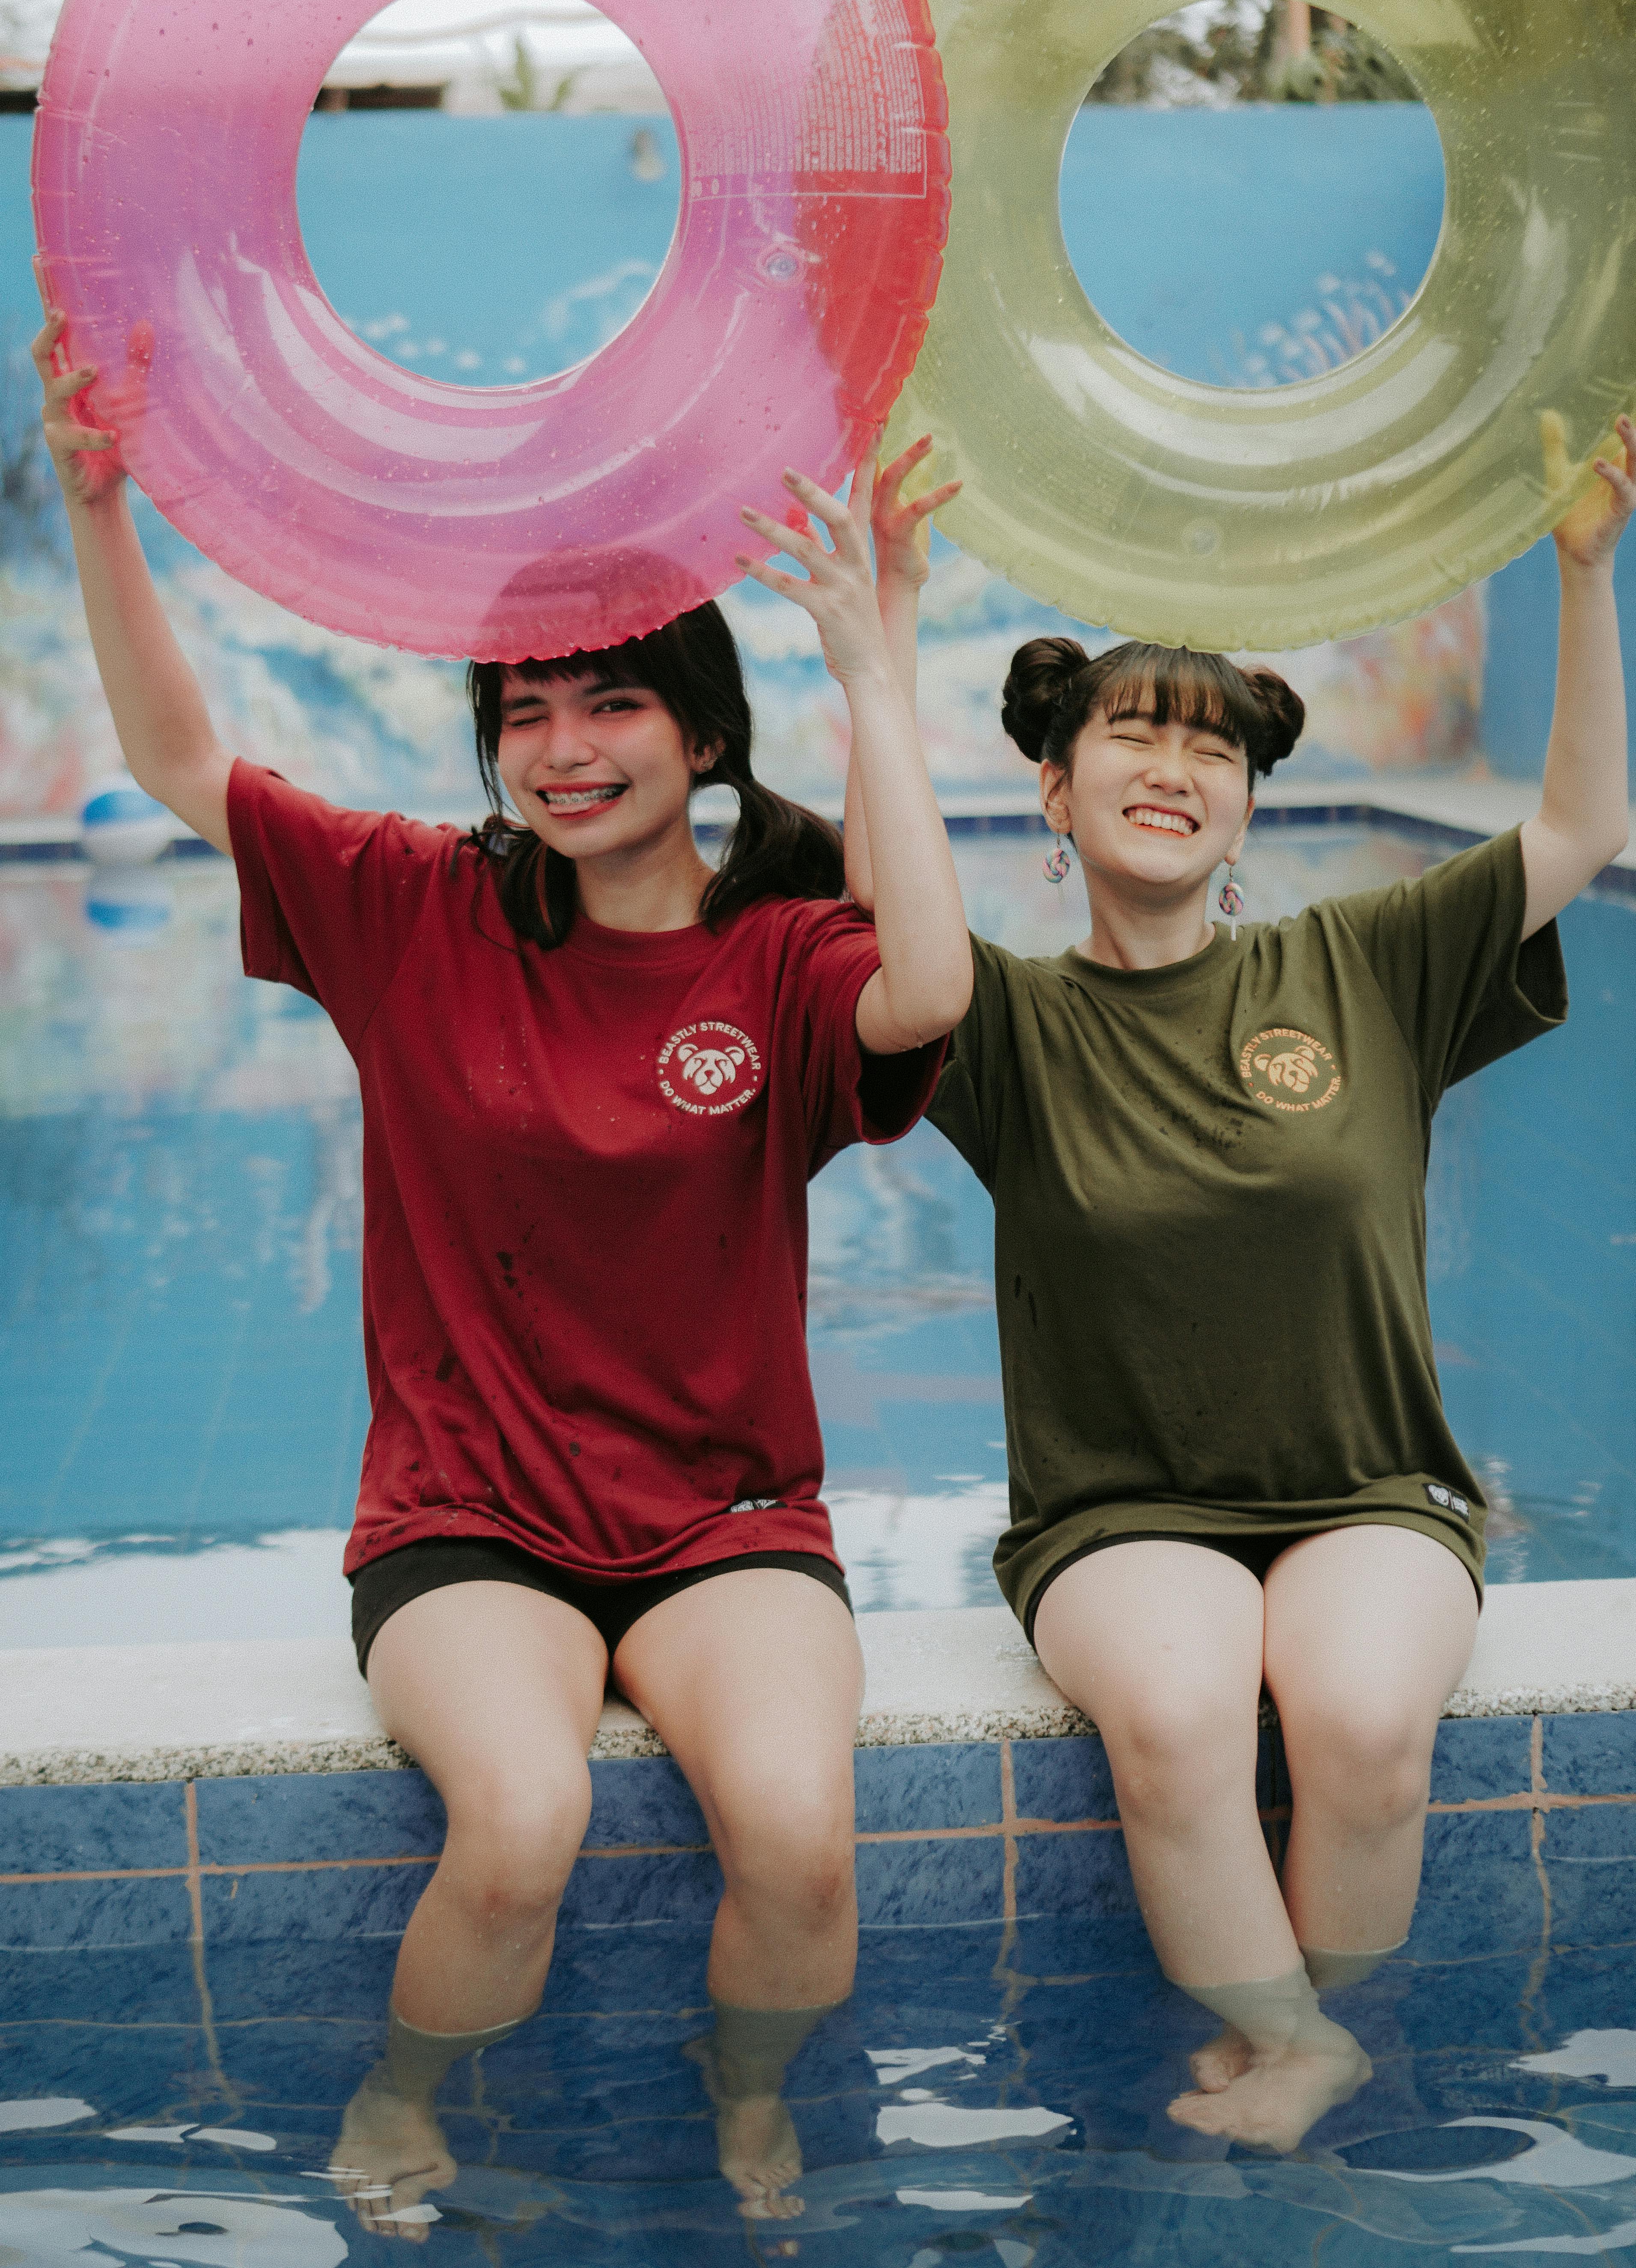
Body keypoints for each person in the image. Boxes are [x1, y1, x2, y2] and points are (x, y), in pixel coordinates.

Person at [31, 280, 970, 2229]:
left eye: (609, 700)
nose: (562, 746)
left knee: (797, 1842)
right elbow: (189, 761)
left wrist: (872, 663)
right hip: (470, 1515)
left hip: (725, 1517)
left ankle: (748, 2098)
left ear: (699, 729)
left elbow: (934, 983)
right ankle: (405, 2091)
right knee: (522, 1819)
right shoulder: (413, 908)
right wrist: (104, 512)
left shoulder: (782, 957)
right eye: (524, 711)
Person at [850, 412, 1634, 2152]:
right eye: (1128, 727)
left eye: (1209, 745)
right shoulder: (1007, 1023)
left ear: (1246, 805)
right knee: (1184, 1717)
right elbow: (876, 913)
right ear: (1050, 790)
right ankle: (1297, 2047)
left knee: (1359, 1719)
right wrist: (881, 637)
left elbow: (1582, 823)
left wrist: (1582, 571)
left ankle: (1308, 2051)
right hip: (1119, 1508)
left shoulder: (1362, 960)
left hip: (1367, 1488)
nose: (1171, 762)